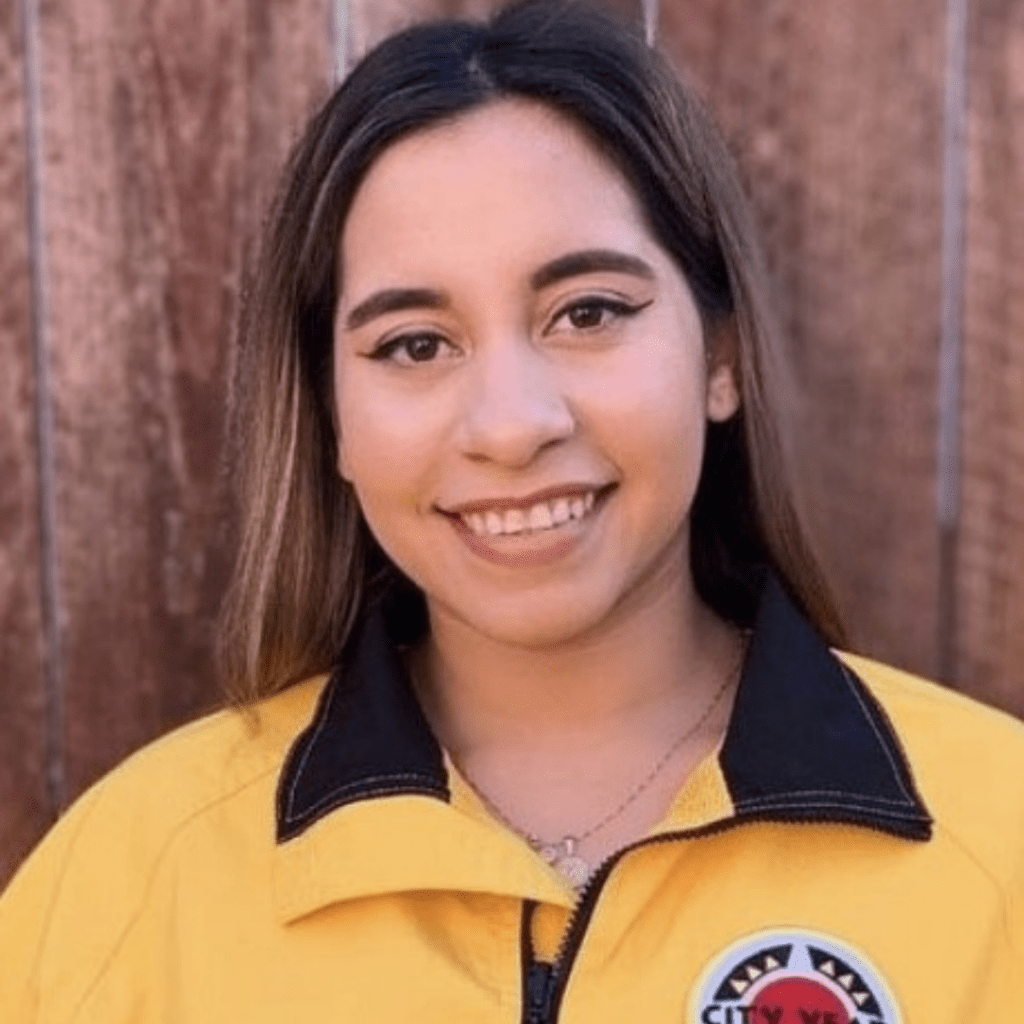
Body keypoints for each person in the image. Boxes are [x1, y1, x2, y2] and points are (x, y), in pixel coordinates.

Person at [2, 1, 1023, 1021]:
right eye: (414, 342)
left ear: (719, 356)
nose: (509, 425)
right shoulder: (132, 884)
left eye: (586, 313)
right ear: (333, 418)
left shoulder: (998, 847)